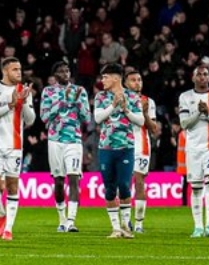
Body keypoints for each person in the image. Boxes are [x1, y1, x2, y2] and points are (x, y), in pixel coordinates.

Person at [0, 57, 35, 241]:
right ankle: (1, 213)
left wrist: (24, 102)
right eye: (15, 69)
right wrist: (10, 105)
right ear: (5, 71)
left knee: (12, 187)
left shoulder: (23, 90)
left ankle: (8, 229)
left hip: (15, 146)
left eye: (20, 69)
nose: (19, 73)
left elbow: (30, 120)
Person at [94, 63, 146, 238]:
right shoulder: (101, 97)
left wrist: (125, 109)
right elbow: (97, 118)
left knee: (124, 185)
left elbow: (140, 121)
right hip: (106, 148)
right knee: (109, 188)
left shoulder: (132, 96)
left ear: (115, 78)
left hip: (126, 147)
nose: (102, 81)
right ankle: (116, 228)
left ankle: (125, 226)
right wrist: (113, 106)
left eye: (105, 77)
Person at [39, 59, 90, 232]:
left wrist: (77, 102)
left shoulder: (80, 91)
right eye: (61, 71)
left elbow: (87, 118)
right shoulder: (48, 92)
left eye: (67, 71)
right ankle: (61, 218)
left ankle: (71, 220)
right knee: (59, 182)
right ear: (55, 75)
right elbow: (44, 118)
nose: (65, 74)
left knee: (74, 178)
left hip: (74, 140)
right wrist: (62, 102)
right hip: (55, 140)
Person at [178, 64, 209, 237]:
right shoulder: (185, 97)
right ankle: (198, 227)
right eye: (198, 74)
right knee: (197, 188)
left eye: (205, 74)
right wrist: (198, 114)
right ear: (193, 78)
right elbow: (184, 124)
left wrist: (208, 114)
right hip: (193, 149)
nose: (202, 77)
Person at [125, 68, 159, 233]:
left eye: (139, 79)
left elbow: (154, 129)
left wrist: (144, 112)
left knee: (139, 182)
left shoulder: (148, 101)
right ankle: (125, 221)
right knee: (122, 186)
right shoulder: (119, 99)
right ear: (125, 83)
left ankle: (138, 224)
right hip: (122, 145)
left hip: (141, 146)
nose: (137, 83)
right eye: (133, 80)